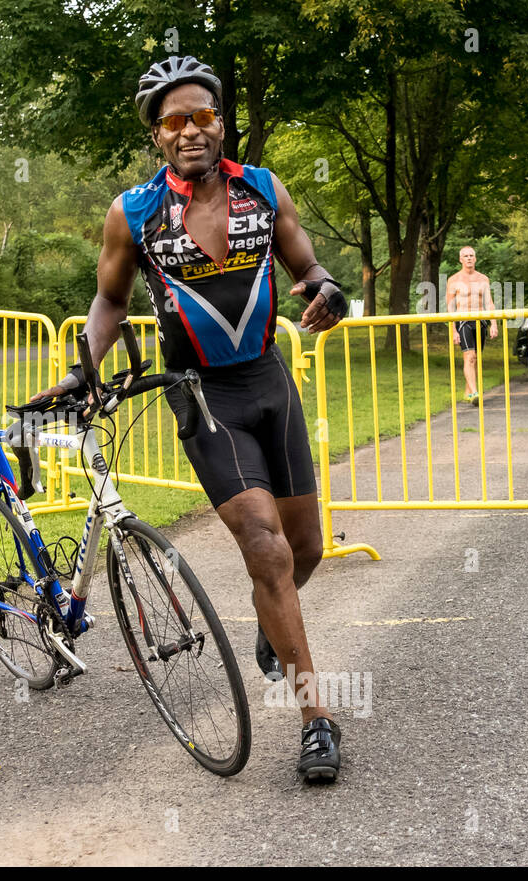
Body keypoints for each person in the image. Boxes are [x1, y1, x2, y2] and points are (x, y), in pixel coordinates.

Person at [29, 56, 348, 782]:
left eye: (204, 115)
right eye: (175, 121)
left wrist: (328, 291)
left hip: (270, 382)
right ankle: (315, 720)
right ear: (157, 135)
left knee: (305, 551)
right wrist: (85, 367)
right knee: (265, 547)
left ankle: (276, 621)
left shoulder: (262, 190)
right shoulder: (134, 212)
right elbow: (109, 301)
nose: (192, 130)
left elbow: (308, 265)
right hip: (203, 395)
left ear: (221, 122)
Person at [446, 246, 498, 401]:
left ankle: (468, 392)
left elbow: (489, 303)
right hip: (463, 322)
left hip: (480, 321)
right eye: (465, 256)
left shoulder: (483, 279)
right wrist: (453, 331)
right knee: (469, 357)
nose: (469, 258)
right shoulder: (454, 280)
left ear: (475, 259)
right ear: (460, 259)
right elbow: (450, 307)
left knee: (475, 358)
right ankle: (475, 393)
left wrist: (493, 324)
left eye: (471, 255)